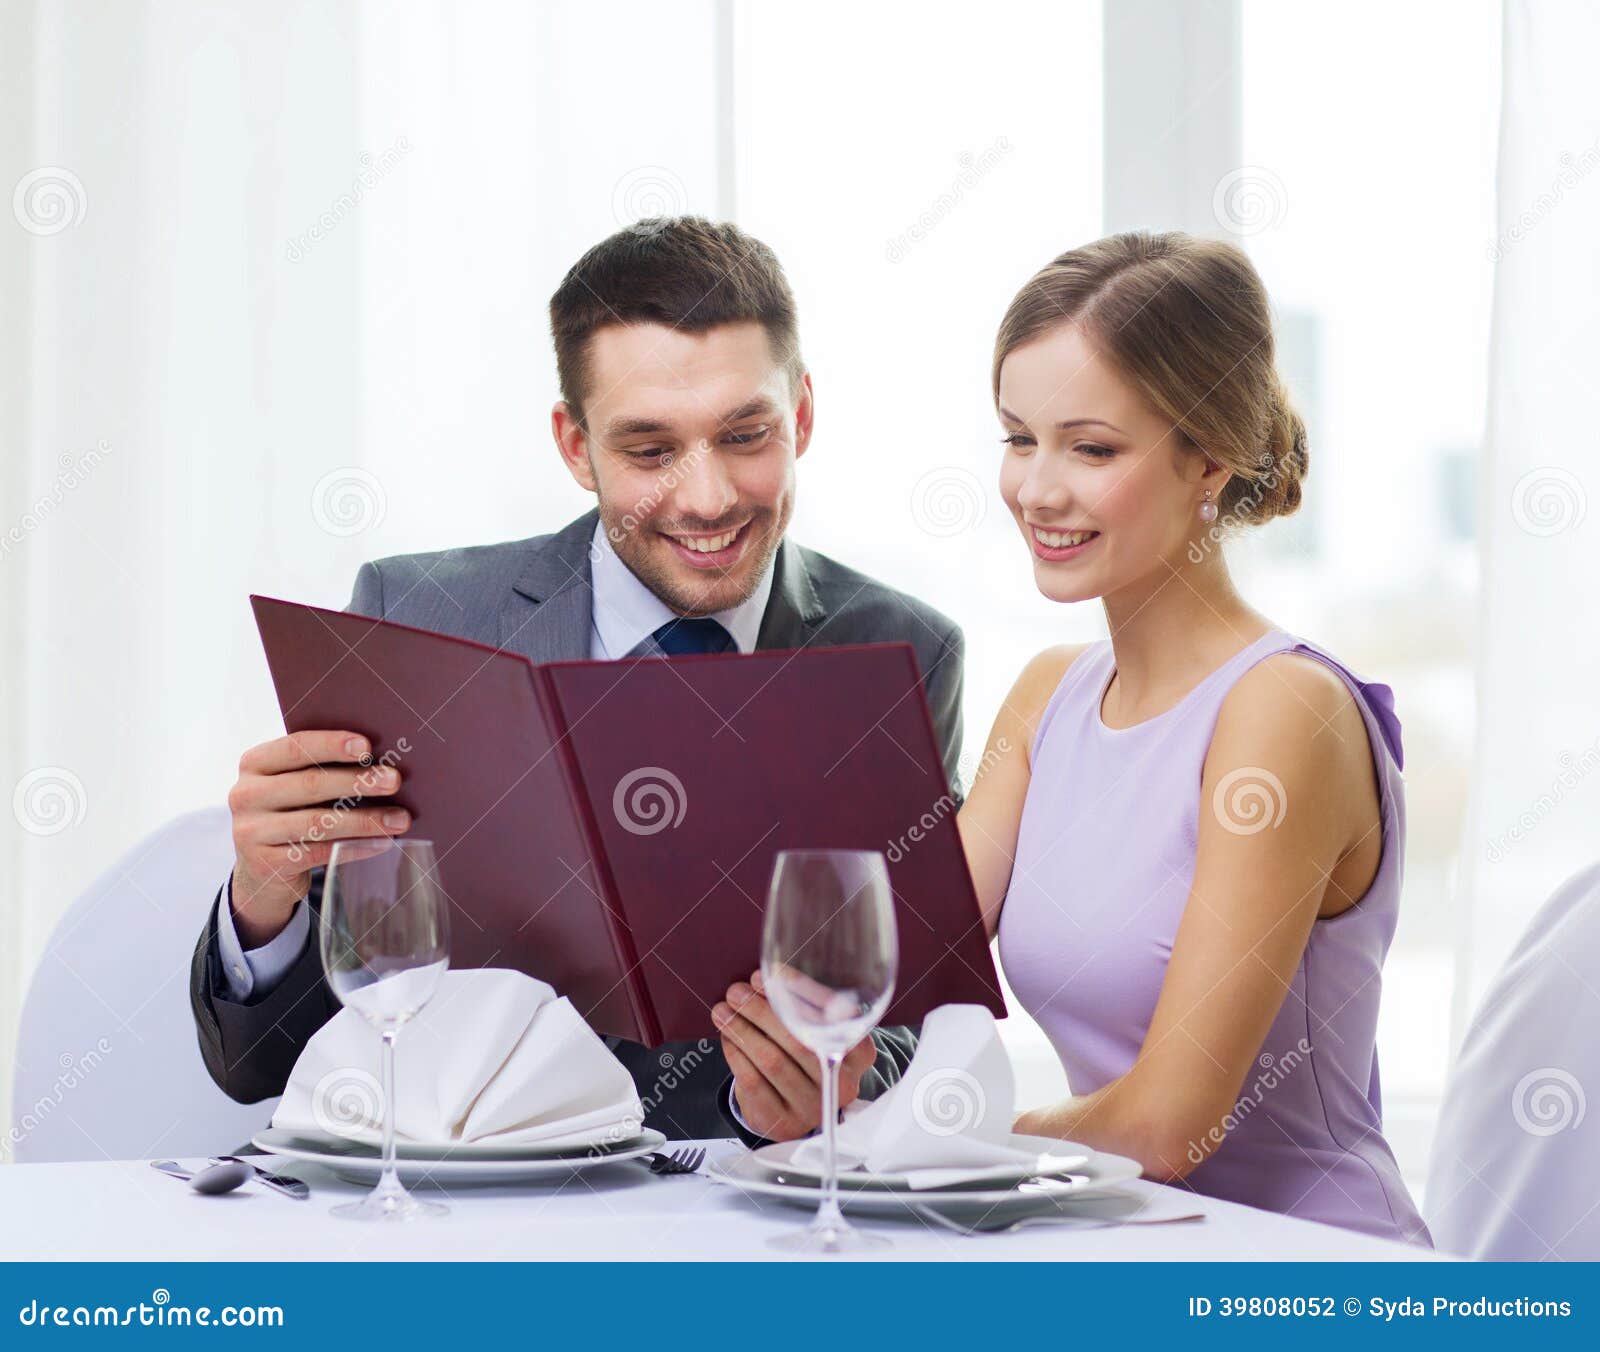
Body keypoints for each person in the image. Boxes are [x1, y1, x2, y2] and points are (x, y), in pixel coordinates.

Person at [189, 217, 965, 1144]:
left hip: (734, 1218)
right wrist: (265, 896)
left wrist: (832, 1088)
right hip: (458, 1211)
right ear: (573, 446)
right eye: (648, 452)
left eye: (745, 434)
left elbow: (908, 1004)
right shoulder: (417, 614)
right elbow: (262, 1067)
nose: (707, 497)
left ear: (800, 415)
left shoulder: (903, 650)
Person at [957, 231, 1430, 1243]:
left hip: (1306, 1269)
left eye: (1090, 447)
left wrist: (950, 1142)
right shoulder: (1047, 697)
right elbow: (897, 966)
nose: (1038, 489)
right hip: (1123, 1249)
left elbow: (1166, 1125)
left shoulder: (1281, 710)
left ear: (1207, 459)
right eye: (1016, 437)